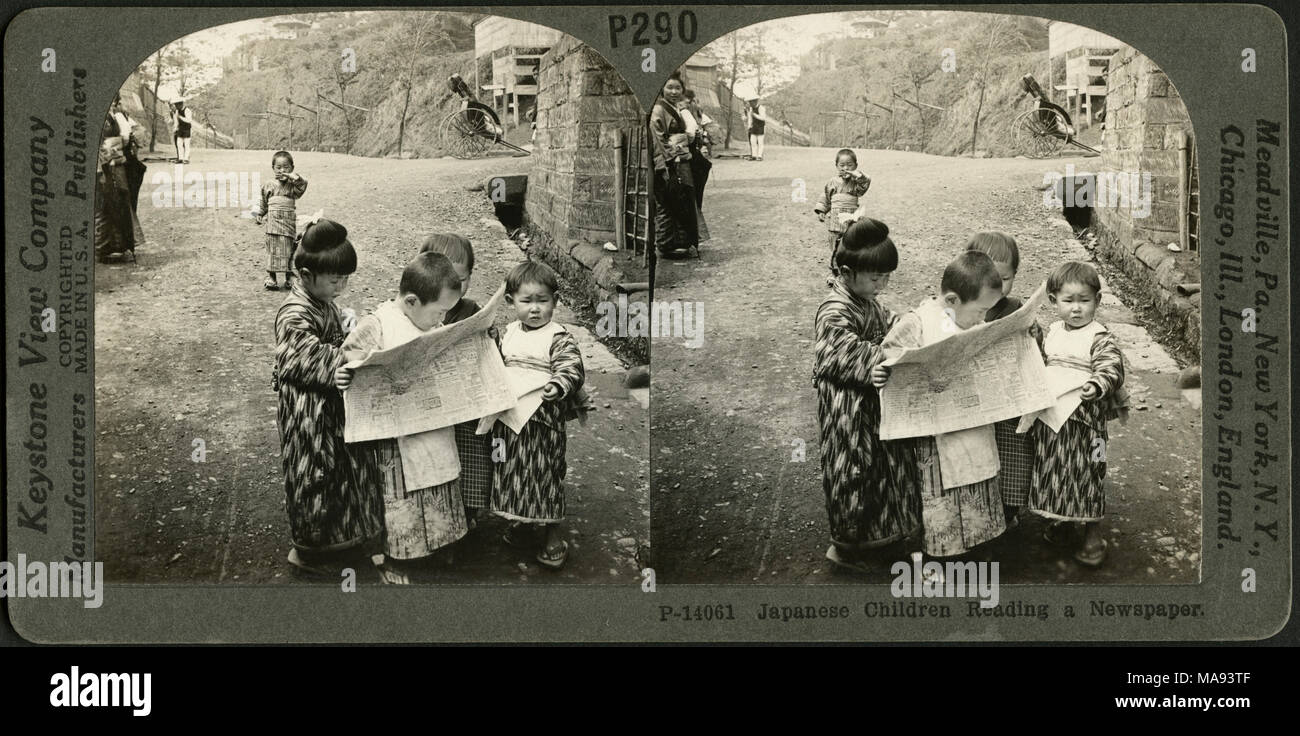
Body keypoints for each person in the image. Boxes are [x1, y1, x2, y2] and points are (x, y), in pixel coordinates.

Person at [337, 252, 470, 581]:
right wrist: (345, 374)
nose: (442, 319)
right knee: (401, 498)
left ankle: (439, 543)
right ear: (411, 301)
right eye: (439, 311)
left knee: (440, 480)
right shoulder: (379, 324)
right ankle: (398, 559)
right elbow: (349, 357)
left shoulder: (431, 324)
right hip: (396, 438)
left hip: (432, 424)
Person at [878, 251, 1008, 558]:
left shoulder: (972, 321)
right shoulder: (919, 321)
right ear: (951, 301)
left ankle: (978, 544)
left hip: (973, 422)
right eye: (980, 311)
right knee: (941, 495)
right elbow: (891, 354)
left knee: (979, 479)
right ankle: (943, 555)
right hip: (936, 435)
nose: (983, 318)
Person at [272, 219, 383, 574]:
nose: (341, 287)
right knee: (314, 474)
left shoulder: (323, 302)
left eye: (345, 279)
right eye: (335, 280)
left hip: (328, 408)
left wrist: (349, 326)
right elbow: (302, 356)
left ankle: (340, 541)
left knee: (337, 472)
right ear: (306, 274)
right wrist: (346, 356)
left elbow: (336, 330)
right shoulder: (294, 312)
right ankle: (312, 550)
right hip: (308, 413)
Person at [813, 218, 920, 572]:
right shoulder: (834, 309)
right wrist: (877, 359)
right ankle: (847, 548)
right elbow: (840, 352)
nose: (882, 285)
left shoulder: (867, 301)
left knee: (879, 471)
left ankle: (879, 539)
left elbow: (893, 324)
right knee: (853, 472)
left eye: (887, 277)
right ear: (846, 271)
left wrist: (919, 321)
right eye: (876, 278)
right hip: (849, 411)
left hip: (871, 405)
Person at [1022, 261, 1128, 567]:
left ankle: (1092, 536)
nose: (1077, 309)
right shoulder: (1054, 331)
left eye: (1085, 300)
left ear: (1098, 300)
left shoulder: (1099, 336)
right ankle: (1064, 522)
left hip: (1084, 421)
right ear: (1054, 301)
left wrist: (1098, 383)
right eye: (1068, 301)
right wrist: (1034, 340)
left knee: (1086, 473)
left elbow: (1111, 366)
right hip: (1054, 419)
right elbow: (1043, 360)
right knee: (1056, 471)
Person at [487, 261, 587, 570]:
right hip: (511, 421)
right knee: (514, 473)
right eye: (526, 301)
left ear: (555, 301)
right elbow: (496, 363)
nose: (534, 309)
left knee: (545, 475)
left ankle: (551, 534)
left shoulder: (558, 337)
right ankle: (523, 522)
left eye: (542, 300)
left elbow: (571, 366)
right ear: (510, 302)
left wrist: (559, 385)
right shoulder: (510, 334)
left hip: (542, 423)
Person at [963, 232, 1037, 527]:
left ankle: (1008, 509)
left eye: (1005, 279)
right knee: (975, 458)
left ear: (1015, 275)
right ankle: (978, 508)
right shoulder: (960, 308)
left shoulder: (1015, 309)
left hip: (1007, 405)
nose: (996, 288)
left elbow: (1032, 349)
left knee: (1013, 455)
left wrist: (1034, 334)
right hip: (973, 404)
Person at [419, 234, 493, 524]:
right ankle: (434, 512)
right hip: (430, 406)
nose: (456, 288)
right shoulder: (417, 309)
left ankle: (467, 511)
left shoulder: (472, 311)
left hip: (464, 408)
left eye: (462, 280)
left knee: (470, 455)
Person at [651, 73, 704, 257]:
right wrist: (669, 160)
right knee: (667, 201)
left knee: (683, 199)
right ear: (662, 89)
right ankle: (666, 244)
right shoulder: (658, 110)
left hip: (682, 160)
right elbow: (658, 138)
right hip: (668, 162)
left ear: (682, 90)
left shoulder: (679, 108)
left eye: (677, 88)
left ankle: (682, 241)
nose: (674, 91)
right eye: (669, 87)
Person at [94, 104, 146, 262]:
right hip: (103, 165)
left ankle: (117, 246)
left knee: (120, 203)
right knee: (102, 206)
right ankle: (100, 248)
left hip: (115, 164)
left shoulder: (116, 114)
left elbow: (135, 132)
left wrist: (121, 146)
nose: (117, 105)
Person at [252, 151, 309, 291]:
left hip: (288, 222)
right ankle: (272, 277)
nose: (282, 170)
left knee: (289, 248)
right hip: (273, 223)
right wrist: (260, 213)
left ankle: (289, 276)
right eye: (278, 167)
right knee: (273, 249)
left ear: (292, 168)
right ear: (273, 168)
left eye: (286, 167)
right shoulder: (269, 185)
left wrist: (294, 178)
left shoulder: (293, 186)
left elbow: (303, 186)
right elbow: (264, 202)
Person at [814, 149, 872, 265]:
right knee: (835, 246)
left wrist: (858, 176)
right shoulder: (833, 182)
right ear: (836, 166)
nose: (845, 168)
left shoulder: (856, 183)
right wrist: (822, 210)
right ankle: (835, 272)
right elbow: (826, 196)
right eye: (842, 165)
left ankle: (849, 269)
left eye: (850, 165)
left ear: (856, 166)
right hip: (835, 220)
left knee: (851, 244)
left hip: (851, 219)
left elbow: (864, 184)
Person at [680, 88, 713, 211]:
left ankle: (696, 205)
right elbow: (691, 130)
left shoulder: (696, 112)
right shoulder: (684, 111)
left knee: (703, 167)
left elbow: (703, 126)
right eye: (688, 102)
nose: (690, 104)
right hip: (687, 148)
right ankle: (695, 205)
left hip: (693, 147)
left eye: (690, 102)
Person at [170, 99, 193, 164]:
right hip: (180, 129)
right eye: (175, 105)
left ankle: (186, 159)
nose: (176, 107)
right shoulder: (177, 111)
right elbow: (176, 121)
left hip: (187, 129)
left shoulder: (187, 110)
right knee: (179, 144)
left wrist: (180, 117)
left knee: (186, 144)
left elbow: (189, 120)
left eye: (177, 105)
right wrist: (175, 128)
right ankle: (180, 158)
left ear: (181, 104)